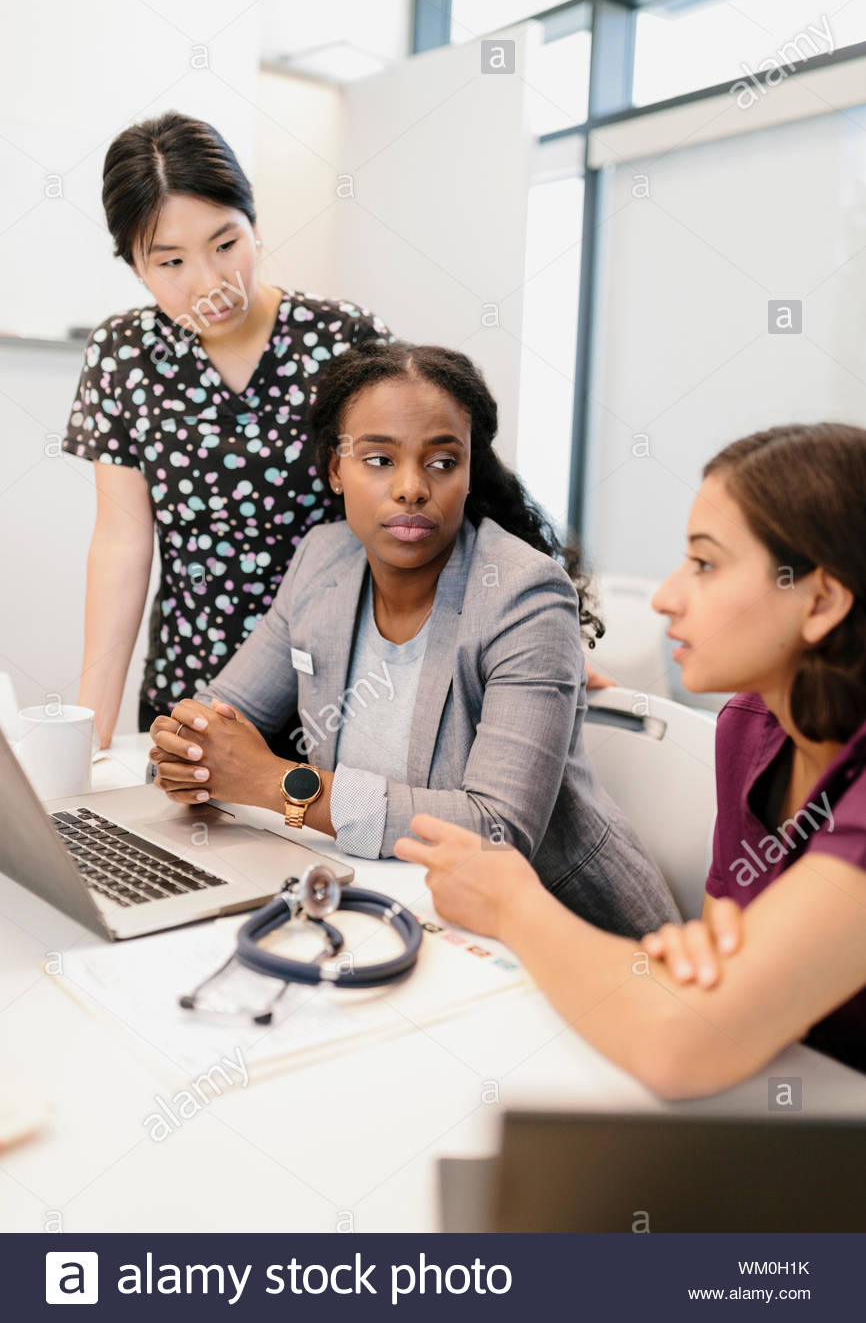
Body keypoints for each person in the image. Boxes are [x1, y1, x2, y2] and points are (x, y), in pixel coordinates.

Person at [148, 341, 680, 937]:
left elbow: (494, 831)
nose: (410, 488)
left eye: (442, 462)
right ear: (335, 468)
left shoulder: (524, 596)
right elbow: (220, 718)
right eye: (378, 459)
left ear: (469, 469)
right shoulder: (323, 560)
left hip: (566, 937)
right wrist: (187, 753)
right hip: (385, 901)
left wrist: (277, 784)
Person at [394, 423, 866, 1093]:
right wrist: (713, 978)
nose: (665, 596)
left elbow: (683, 1046)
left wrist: (512, 903)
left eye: (704, 564)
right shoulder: (752, 727)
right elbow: (710, 967)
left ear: (819, 600)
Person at [62, 111, 392, 750]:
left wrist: (520, 642)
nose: (209, 284)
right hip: (189, 697)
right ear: (135, 266)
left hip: (336, 694)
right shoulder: (125, 354)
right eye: (171, 263)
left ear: (254, 225)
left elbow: (418, 509)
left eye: (225, 244)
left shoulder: (344, 340)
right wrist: (89, 742)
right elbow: (122, 547)